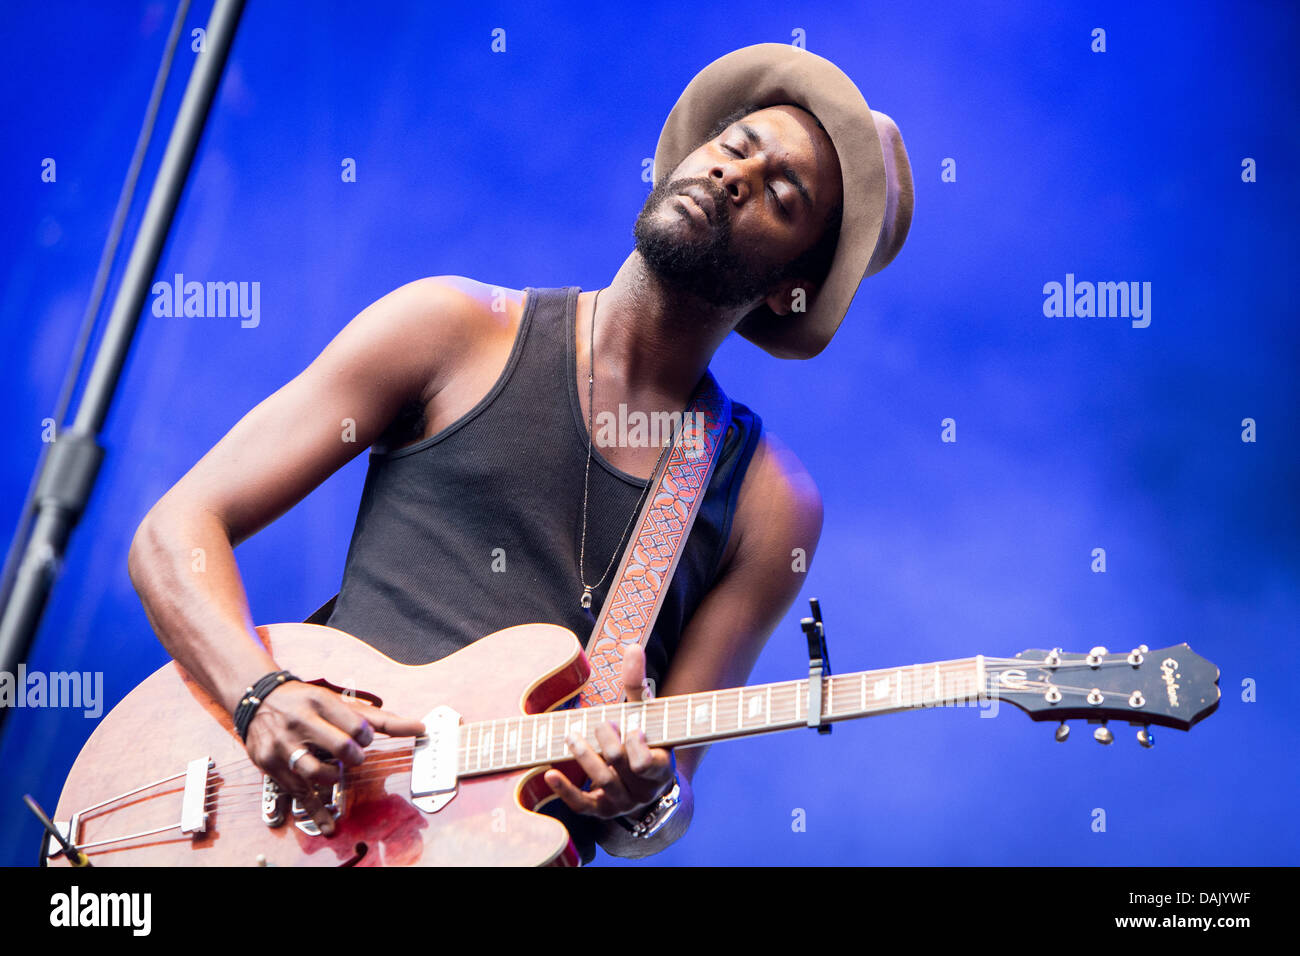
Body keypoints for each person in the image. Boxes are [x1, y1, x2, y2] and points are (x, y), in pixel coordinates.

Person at [126, 43, 913, 864]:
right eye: (734, 146)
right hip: (288, 835)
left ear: (791, 290)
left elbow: (665, 796)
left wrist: (647, 800)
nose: (733, 176)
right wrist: (259, 697)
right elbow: (176, 528)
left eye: (780, 196)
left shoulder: (769, 501)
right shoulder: (451, 330)